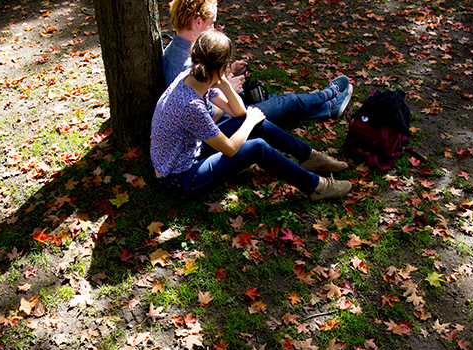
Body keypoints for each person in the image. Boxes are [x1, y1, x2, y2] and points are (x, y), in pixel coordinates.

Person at [151, 29, 351, 202]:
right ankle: (317, 187)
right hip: (179, 179)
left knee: (254, 121)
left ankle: (309, 156)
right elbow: (230, 149)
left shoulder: (193, 76)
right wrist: (249, 122)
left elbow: (238, 112)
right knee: (257, 146)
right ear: (218, 66)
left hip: (188, 152)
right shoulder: (190, 105)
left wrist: (225, 83)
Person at [162, 0, 353, 127]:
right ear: (197, 23)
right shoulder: (184, 65)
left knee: (269, 98)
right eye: (211, 24)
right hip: (224, 124)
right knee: (286, 101)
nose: (213, 29)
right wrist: (230, 88)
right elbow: (206, 117)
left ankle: (327, 108)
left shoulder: (179, 48)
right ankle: (326, 95)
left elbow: (208, 87)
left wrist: (225, 72)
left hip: (227, 107)